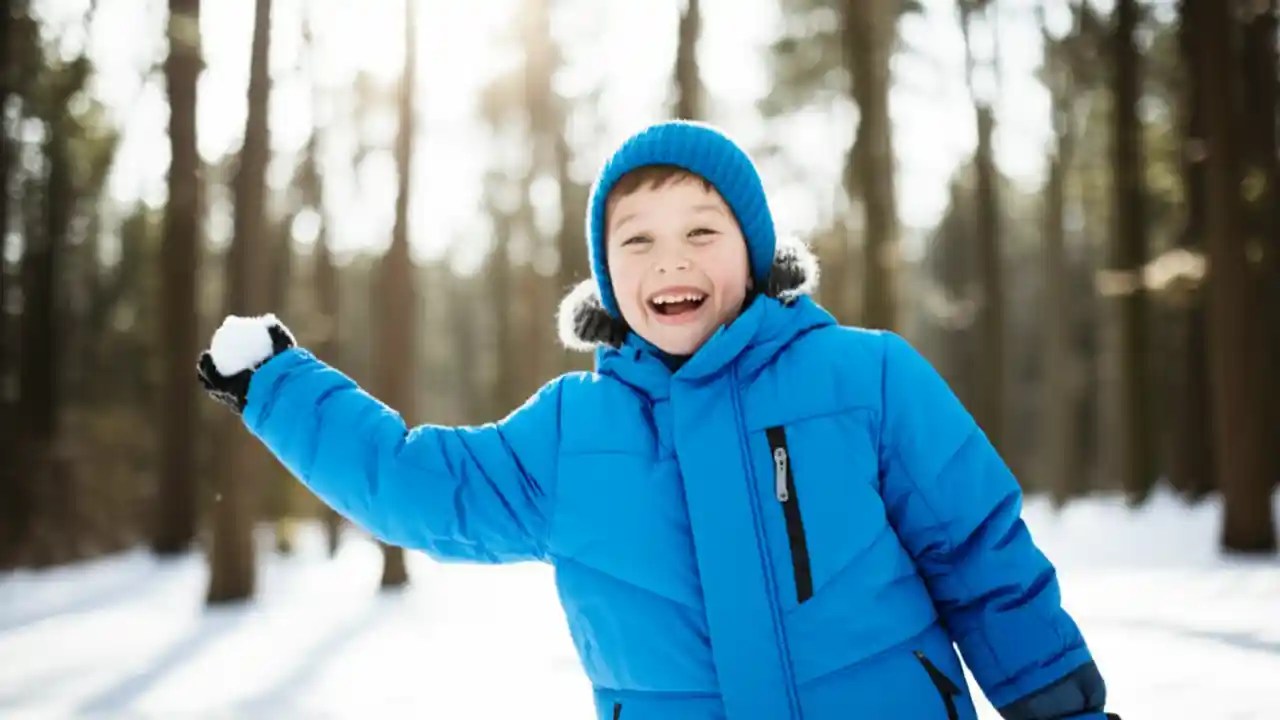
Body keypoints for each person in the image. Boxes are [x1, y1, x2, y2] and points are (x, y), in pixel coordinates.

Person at [197, 120, 1117, 720]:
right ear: (608, 276)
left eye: (702, 231)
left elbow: (982, 557)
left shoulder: (863, 378)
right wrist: (280, 387)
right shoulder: (572, 432)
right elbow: (418, 486)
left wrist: (1060, 707)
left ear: (753, 254)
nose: (669, 259)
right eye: (636, 240)